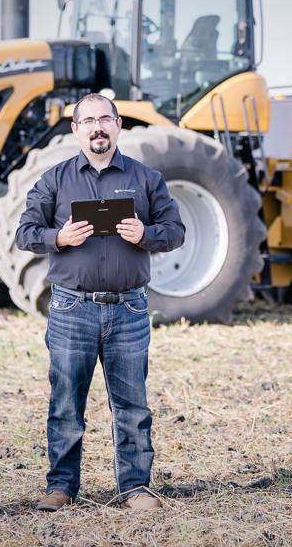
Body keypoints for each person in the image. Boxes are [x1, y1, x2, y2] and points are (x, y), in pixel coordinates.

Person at [15, 93, 185, 512]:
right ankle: (61, 487)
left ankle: (134, 488)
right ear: (75, 130)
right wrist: (59, 238)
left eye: (104, 120)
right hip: (72, 309)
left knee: (131, 405)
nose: (97, 128)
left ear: (117, 126)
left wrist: (144, 234)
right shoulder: (55, 180)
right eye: (87, 121)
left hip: (128, 310)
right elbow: (24, 232)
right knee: (66, 403)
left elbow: (175, 230)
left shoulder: (146, 179)